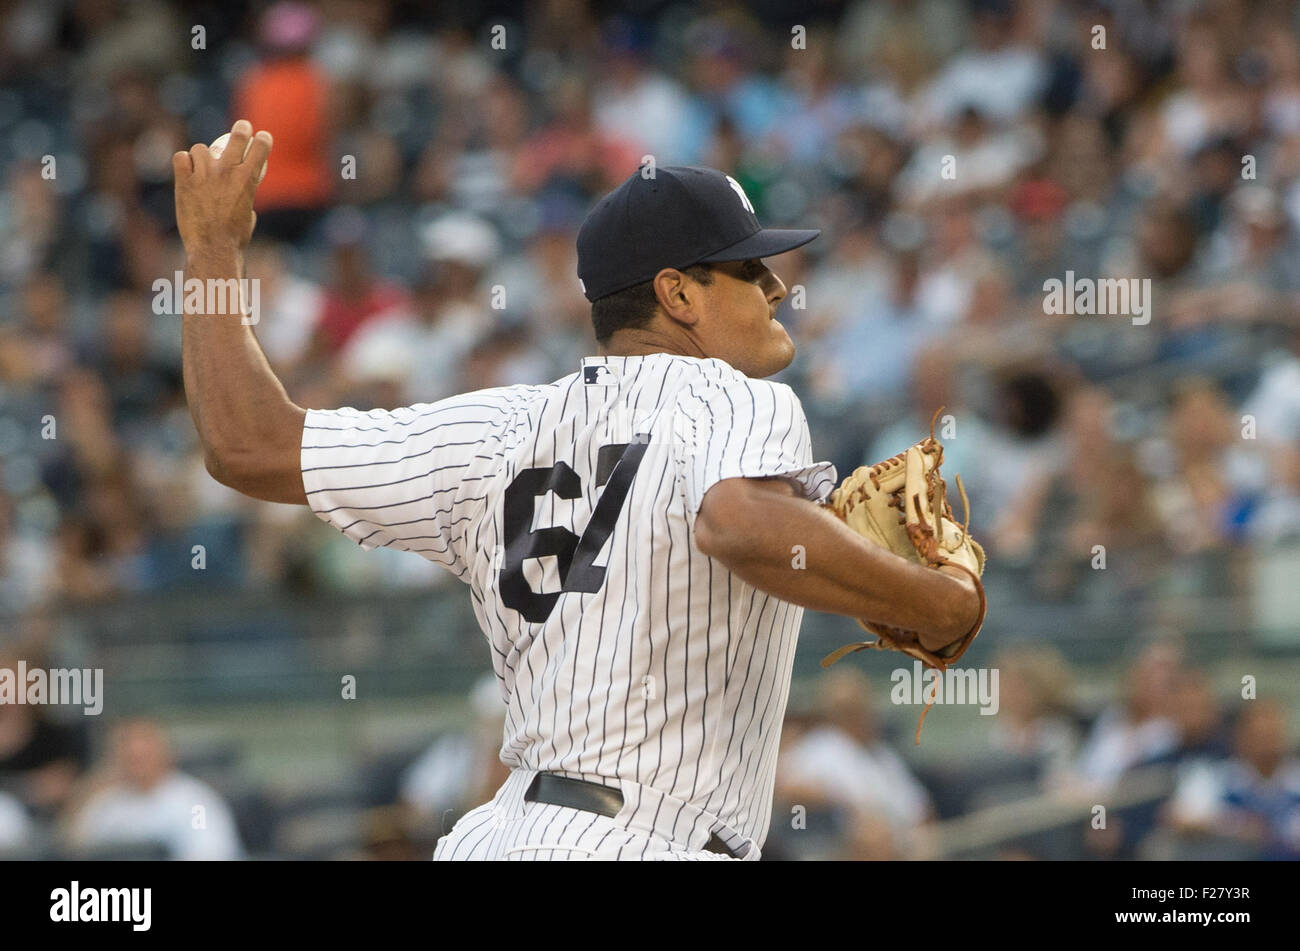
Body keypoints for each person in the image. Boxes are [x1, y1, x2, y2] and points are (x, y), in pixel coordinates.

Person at [172, 121, 983, 860]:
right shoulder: (730, 394)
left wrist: (210, 254)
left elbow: (249, 445)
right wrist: (936, 602)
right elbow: (737, 523)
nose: (776, 287)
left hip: (499, 836)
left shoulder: (494, 428)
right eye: (750, 266)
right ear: (678, 294)